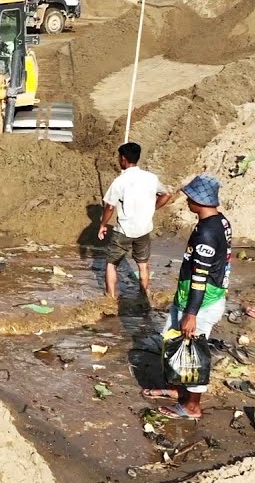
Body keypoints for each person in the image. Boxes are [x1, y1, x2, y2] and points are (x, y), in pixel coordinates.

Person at [144, 174, 232, 420]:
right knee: (170, 340)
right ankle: (175, 388)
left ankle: (192, 406)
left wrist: (191, 314)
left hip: (200, 302)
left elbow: (200, 278)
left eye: (189, 198)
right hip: (191, 296)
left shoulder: (206, 234)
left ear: (198, 200)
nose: (187, 202)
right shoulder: (219, 221)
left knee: (194, 353)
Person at [97, 142, 172, 299]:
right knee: (143, 264)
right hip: (144, 228)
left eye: (119, 157)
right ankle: (144, 296)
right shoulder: (151, 178)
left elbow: (109, 207)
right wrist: (152, 208)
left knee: (111, 264)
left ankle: (110, 298)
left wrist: (103, 225)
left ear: (123, 159)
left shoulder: (119, 181)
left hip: (125, 229)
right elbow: (167, 195)